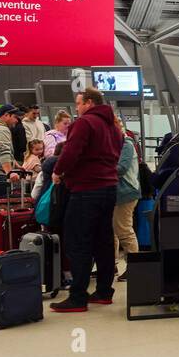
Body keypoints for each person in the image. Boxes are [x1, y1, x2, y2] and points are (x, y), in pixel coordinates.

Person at [50, 88, 121, 313]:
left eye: (78, 103)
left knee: (78, 242)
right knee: (104, 241)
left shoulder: (85, 123)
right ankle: (103, 291)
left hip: (86, 189)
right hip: (109, 187)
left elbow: (71, 152)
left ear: (89, 103)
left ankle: (78, 297)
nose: (77, 108)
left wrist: (58, 171)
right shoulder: (113, 125)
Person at [112, 115, 140, 282]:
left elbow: (121, 168)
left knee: (124, 230)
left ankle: (134, 267)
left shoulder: (127, 144)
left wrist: (99, 168)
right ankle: (111, 265)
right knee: (111, 231)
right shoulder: (115, 143)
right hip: (116, 193)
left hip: (126, 193)